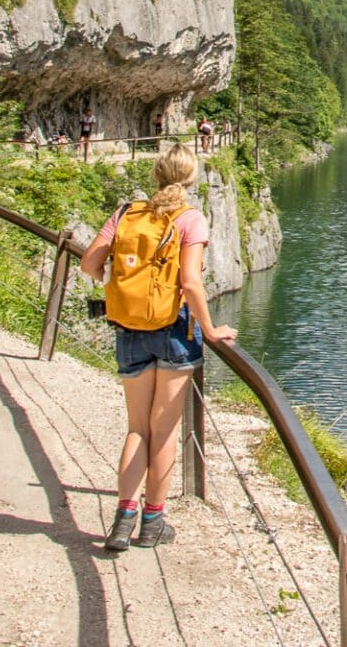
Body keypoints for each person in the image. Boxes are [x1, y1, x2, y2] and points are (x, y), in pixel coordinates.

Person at [80, 144, 237, 552]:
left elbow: (88, 264)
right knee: (163, 431)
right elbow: (190, 282)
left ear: (157, 176)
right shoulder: (190, 219)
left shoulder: (127, 213)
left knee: (136, 428)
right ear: (190, 179)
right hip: (173, 330)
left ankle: (122, 520)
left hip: (129, 328)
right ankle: (152, 522)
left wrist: (121, 287)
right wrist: (211, 329)